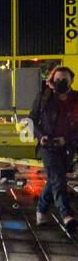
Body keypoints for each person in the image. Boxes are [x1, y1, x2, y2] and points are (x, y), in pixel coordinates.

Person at [29, 65, 78, 232]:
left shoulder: (76, 99)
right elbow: (32, 120)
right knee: (59, 178)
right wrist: (40, 136)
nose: (61, 82)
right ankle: (67, 215)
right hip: (47, 146)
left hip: (67, 147)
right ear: (51, 81)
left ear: (72, 80)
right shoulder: (44, 98)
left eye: (64, 79)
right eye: (57, 79)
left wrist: (67, 139)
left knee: (54, 179)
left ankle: (41, 210)